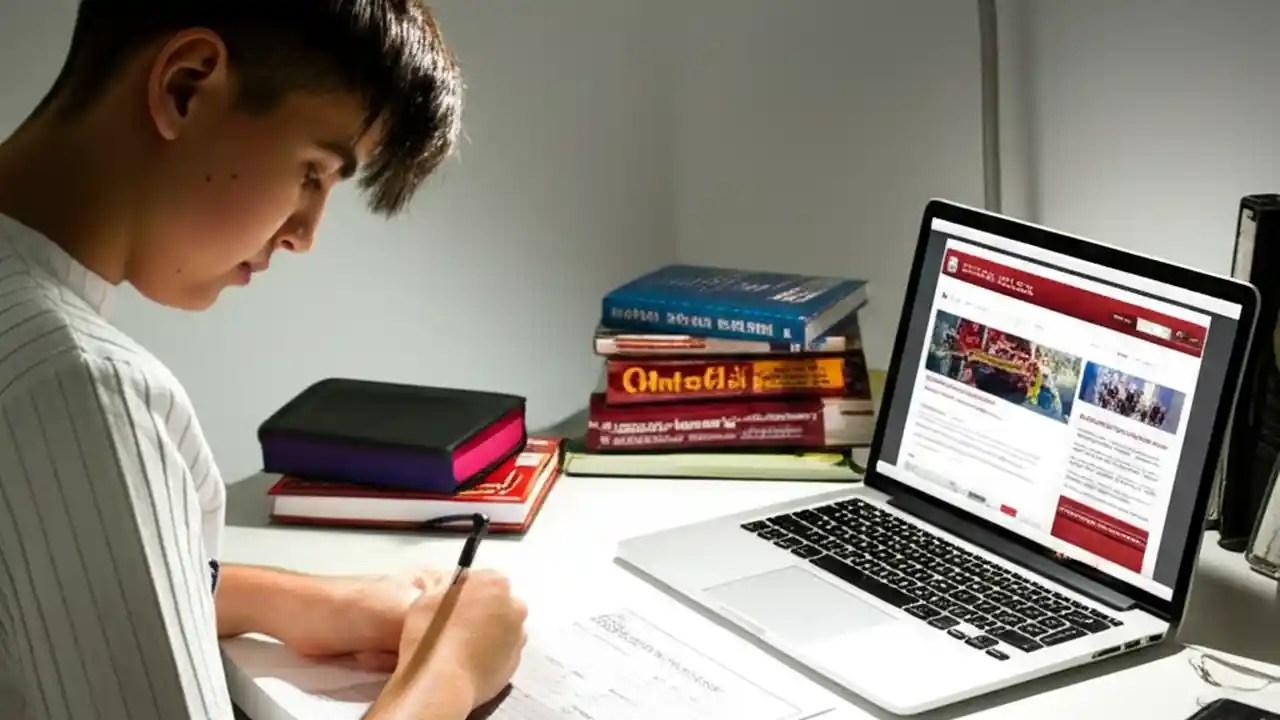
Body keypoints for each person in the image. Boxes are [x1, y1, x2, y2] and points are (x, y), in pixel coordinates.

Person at [0, 2, 528, 719]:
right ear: (185, 87)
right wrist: (449, 669)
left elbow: (41, 583)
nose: (305, 235)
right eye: (313, 172)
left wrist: (301, 600)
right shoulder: (81, 388)